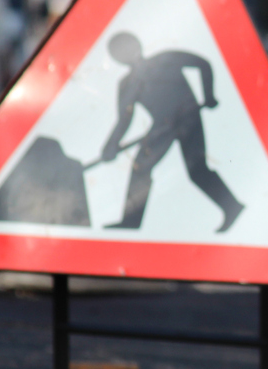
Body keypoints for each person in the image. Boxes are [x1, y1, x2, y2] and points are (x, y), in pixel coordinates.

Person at [100, 32, 244, 232]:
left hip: (188, 117)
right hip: (162, 127)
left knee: (196, 169)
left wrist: (208, 94)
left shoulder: (166, 59)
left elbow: (202, 63)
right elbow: (124, 119)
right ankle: (131, 221)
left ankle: (232, 206)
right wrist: (111, 145)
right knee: (140, 168)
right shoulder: (126, 84)